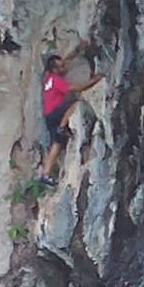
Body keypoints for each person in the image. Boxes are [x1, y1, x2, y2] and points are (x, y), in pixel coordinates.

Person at [40, 42, 105, 184]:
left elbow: (65, 61)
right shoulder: (57, 81)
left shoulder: (48, 77)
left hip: (48, 115)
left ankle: (45, 174)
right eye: (61, 67)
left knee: (56, 143)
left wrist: (77, 49)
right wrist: (97, 78)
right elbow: (78, 88)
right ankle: (62, 127)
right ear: (55, 70)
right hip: (56, 112)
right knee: (76, 104)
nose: (65, 67)